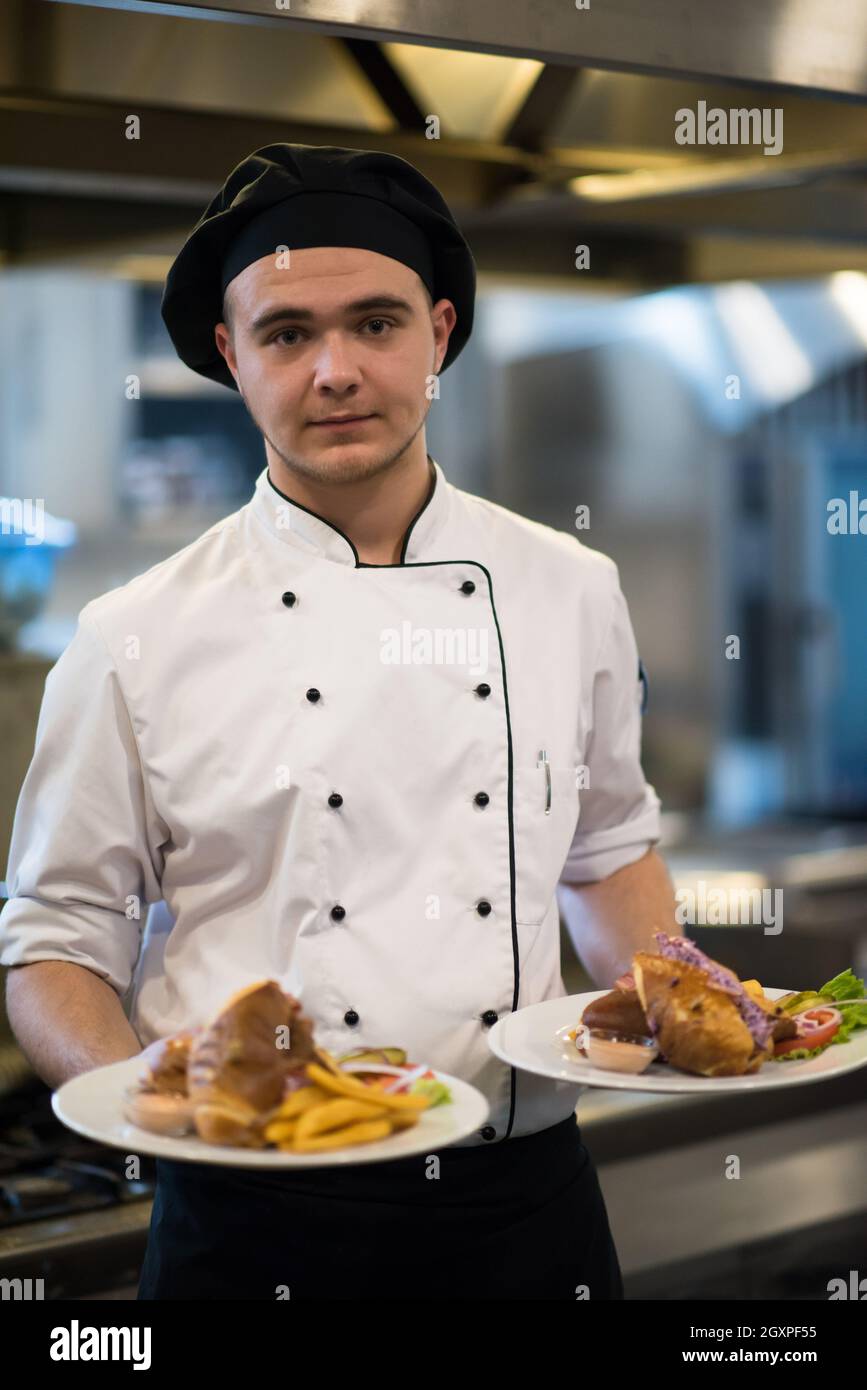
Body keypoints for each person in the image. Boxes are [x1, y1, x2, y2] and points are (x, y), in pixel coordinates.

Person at [0, 143, 678, 1300]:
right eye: (286, 334)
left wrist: (689, 997)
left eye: (376, 323)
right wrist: (148, 1095)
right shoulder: (132, 634)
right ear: (232, 355)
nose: (336, 371)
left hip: (527, 1208)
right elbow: (56, 941)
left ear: (440, 334)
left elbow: (608, 849)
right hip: (251, 1218)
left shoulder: (571, 588)